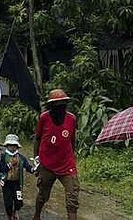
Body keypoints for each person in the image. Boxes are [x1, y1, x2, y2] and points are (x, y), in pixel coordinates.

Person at [33, 89, 79, 220]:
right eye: (57, 107)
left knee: (72, 198)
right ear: (51, 107)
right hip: (47, 164)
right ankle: (36, 216)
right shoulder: (44, 118)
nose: (60, 110)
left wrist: (71, 157)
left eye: (63, 106)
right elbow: (37, 138)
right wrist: (36, 158)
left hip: (66, 165)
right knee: (43, 195)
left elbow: (72, 140)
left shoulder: (71, 119)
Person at [0, 134, 37, 220]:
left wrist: (33, 169)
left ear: (17, 147)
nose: (12, 147)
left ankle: (15, 211)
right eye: (10, 145)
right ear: (7, 146)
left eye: (14, 146)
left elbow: (27, 167)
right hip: (6, 183)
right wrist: (9, 165)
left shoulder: (21, 158)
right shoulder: (3, 157)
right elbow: (2, 169)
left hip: (17, 183)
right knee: (8, 202)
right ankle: (10, 215)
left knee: (18, 201)